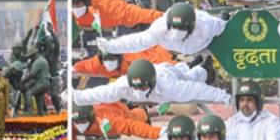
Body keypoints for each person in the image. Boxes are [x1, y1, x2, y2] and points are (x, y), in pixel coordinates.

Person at [72, 59, 231, 108]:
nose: (138, 90)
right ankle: (190, 63)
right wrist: (76, 96)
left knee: (190, 78)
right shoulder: (123, 85)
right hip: (154, 69)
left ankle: (204, 66)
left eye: (142, 86)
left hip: (168, 72)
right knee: (183, 70)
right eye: (135, 86)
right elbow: (101, 93)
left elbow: (198, 89)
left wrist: (225, 97)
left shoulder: (170, 87)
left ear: (152, 83)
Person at [96, 2, 226, 58]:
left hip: (209, 43)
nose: (176, 31)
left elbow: (227, 30)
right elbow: (137, 41)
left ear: (191, 26)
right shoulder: (160, 29)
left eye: (181, 28)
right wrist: (111, 46)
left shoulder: (205, 26)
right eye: (174, 27)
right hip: (179, 51)